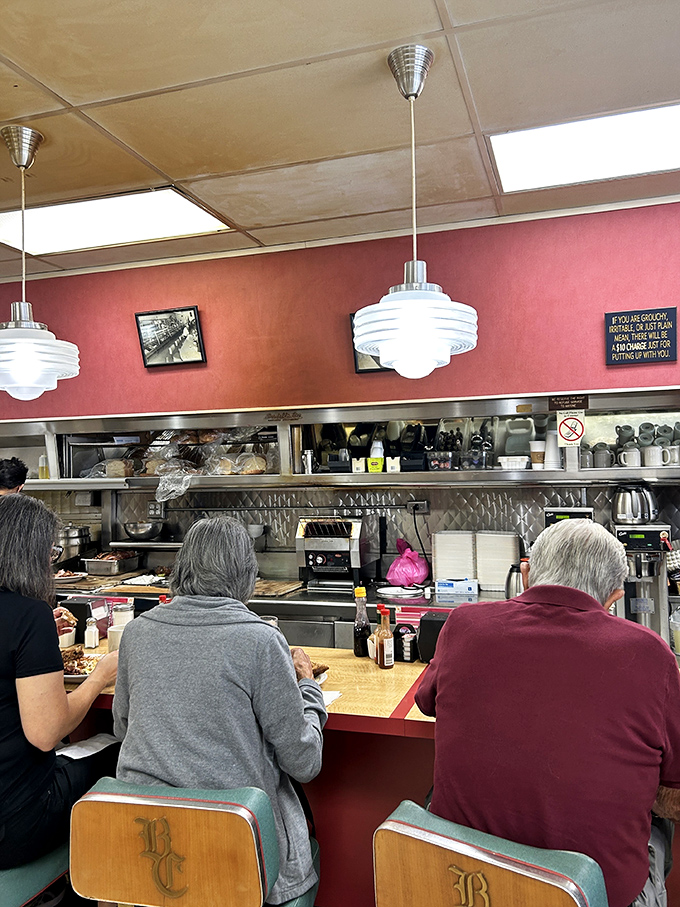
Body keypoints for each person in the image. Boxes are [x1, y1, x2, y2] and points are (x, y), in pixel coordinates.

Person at [415, 519, 680, 907]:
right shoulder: (652, 654)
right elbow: (674, 792)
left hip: (468, 887)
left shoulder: (463, 625)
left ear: (526, 574)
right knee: (660, 830)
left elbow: (426, 701)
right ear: (614, 596)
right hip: (587, 895)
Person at [113, 516, 327, 906]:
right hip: (237, 853)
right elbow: (305, 762)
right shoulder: (260, 641)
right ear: (247, 573)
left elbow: (123, 728)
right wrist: (308, 687)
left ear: (182, 567)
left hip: (151, 849)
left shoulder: (137, 632)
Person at [0, 494, 119, 874]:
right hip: (16, 825)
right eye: (50, 551)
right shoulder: (28, 614)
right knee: (121, 753)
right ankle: (99, 889)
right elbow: (46, 732)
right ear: (30, 554)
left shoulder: (26, 619)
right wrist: (101, 676)